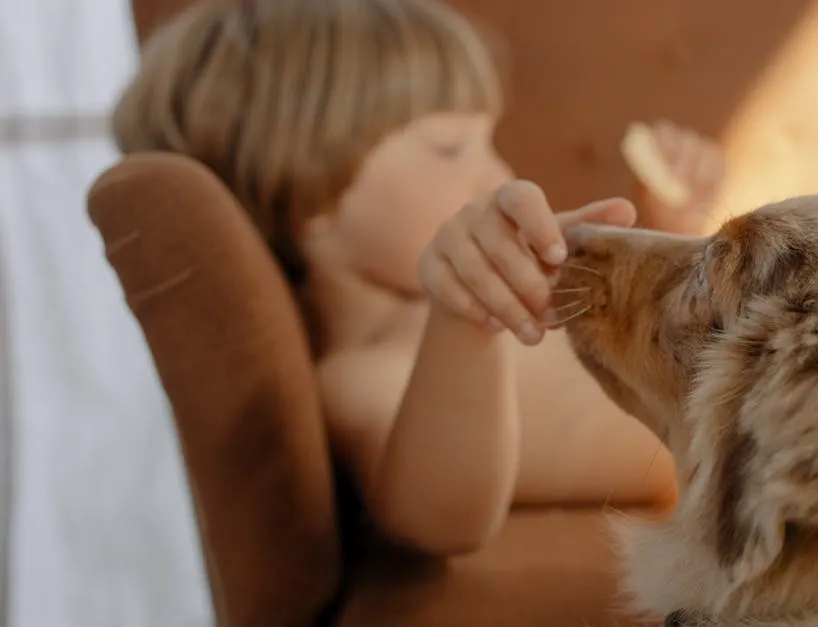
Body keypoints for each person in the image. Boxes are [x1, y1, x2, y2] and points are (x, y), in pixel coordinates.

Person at [112, 0, 725, 555]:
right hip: (779, 440)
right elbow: (443, 521)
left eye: (489, 141)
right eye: (451, 147)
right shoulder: (361, 379)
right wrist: (465, 319)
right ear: (305, 193)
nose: (501, 172)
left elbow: (673, 347)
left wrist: (672, 236)